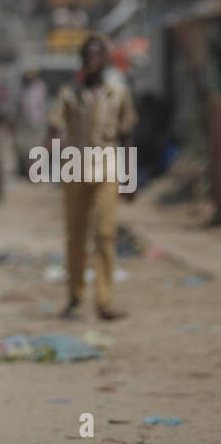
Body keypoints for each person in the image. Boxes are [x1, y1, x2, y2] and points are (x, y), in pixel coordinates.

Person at [47, 33, 138, 322]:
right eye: (88, 56)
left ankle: (104, 300)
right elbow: (53, 127)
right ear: (82, 60)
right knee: (76, 235)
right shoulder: (69, 93)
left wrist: (129, 176)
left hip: (107, 168)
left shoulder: (118, 93)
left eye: (98, 55)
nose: (92, 61)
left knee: (105, 234)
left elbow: (126, 135)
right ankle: (75, 296)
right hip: (74, 169)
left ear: (105, 60)